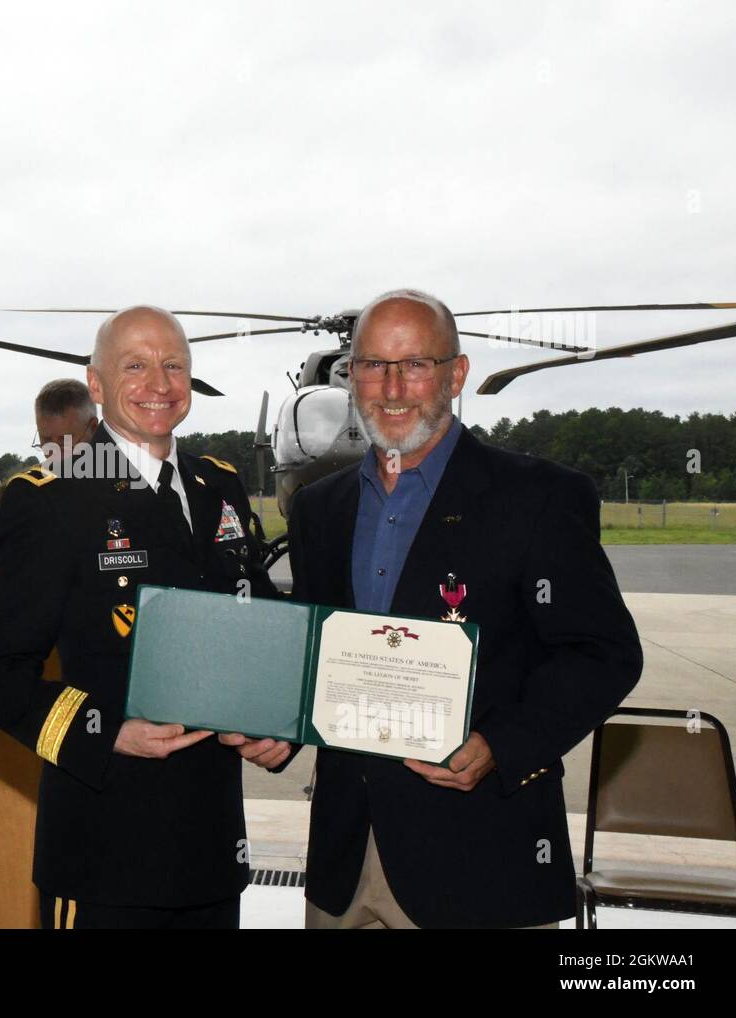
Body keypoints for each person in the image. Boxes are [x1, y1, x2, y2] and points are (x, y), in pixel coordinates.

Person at [229, 288, 643, 928]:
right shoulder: (320, 509)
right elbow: (316, 651)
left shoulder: (539, 497)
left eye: (415, 364)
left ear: (457, 374)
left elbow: (605, 653)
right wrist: (280, 725)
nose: (392, 387)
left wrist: (501, 746)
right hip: (343, 860)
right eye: (372, 365)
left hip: (482, 859)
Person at [0, 305, 278, 929]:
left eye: (174, 365)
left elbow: (258, 622)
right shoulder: (53, 501)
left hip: (213, 845)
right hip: (105, 850)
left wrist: (274, 721)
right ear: (98, 386)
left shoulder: (221, 487)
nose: (159, 384)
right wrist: (106, 733)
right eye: (135, 366)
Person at [0, 378, 98, 540]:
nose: (54, 454)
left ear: (93, 429)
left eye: (65, 441)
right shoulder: (22, 487)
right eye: (46, 441)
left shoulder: (124, 480)